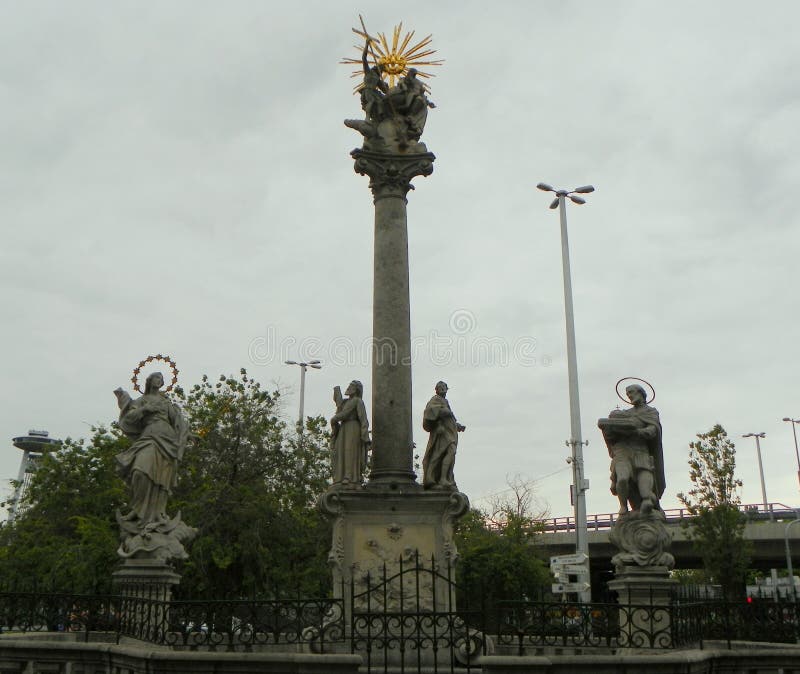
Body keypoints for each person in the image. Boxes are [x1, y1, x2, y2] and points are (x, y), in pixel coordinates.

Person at [114, 372, 189, 524]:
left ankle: (158, 513)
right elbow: (129, 418)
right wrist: (145, 409)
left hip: (167, 440)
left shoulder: (165, 403)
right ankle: (138, 510)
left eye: (161, 379)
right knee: (139, 472)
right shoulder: (141, 401)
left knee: (161, 478)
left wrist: (188, 435)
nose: (159, 381)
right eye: (156, 378)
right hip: (148, 438)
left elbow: (178, 422)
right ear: (149, 380)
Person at [600, 384, 665, 515]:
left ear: (641, 393)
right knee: (622, 479)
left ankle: (649, 501)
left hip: (640, 451)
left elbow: (653, 430)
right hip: (623, 451)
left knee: (645, 492)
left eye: (631, 392)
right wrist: (609, 430)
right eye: (627, 393)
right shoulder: (625, 414)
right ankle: (623, 507)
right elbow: (611, 435)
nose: (629, 395)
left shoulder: (651, 412)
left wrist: (637, 432)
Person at [422, 381, 465, 489]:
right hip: (442, 432)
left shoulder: (445, 401)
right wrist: (442, 411)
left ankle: (444, 478)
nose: (442, 388)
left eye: (444, 387)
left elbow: (450, 418)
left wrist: (457, 426)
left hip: (450, 432)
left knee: (449, 453)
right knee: (440, 454)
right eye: (440, 387)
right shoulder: (435, 399)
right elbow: (429, 411)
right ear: (436, 389)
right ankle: (434, 478)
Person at [331, 380, 370, 487]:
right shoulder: (345, 402)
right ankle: (340, 476)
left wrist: (365, 435)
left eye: (351, 386)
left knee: (350, 452)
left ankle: (350, 477)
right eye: (349, 385)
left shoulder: (358, 401)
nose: (348, 388)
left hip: (353, 429)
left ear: (356, 389)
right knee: (340, 452)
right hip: (343, 429)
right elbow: (340, 410)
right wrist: (337, 393)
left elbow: (363, 419)